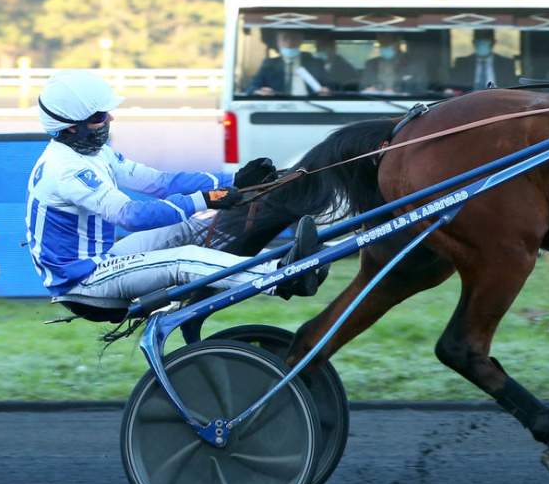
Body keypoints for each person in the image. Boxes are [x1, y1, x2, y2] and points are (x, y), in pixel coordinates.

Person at [26, 70, 327, 308]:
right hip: (83, 281)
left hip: (103, 257)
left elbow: (160, 183)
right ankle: (279, 277)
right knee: (183, 257)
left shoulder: (93, 153)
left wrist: (232, 180)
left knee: (187, 227)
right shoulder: (66, 170)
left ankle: (271, 259)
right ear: (69, 128)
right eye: (99, 117)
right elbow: (132, 217)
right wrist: (205, 199)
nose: (110, 119)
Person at [245, 30, 331, 96]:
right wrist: (259, 91)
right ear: (278, 42)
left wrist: (326, 91)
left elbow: (333, 88)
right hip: (277, 109)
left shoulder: (315, 63)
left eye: (294, 38)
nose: (289, 43)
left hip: (313, 109)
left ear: (300, 40)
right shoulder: (269, 64)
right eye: (285, 38)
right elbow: (251, 88)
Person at [450, 28, 516, 91]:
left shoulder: (506, 64)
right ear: (473, 43)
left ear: (493, 43)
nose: (482, 45)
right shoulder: (462, 63)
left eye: (485, 42)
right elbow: (456, 88)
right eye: (479, 42)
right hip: (468, 100)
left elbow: (511, 88)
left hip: (499, 100)